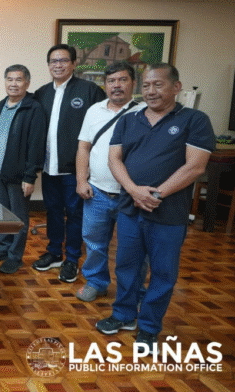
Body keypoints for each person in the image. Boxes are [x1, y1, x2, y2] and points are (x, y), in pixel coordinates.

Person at [96, 64, 214, 347]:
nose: (151, 91)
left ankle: (149, 326)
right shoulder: (129, 120)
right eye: (147, 85)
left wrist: (155, 195)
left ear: (176, 87)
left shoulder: (194, 120)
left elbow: (195, 167)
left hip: (169, 213)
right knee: (126, 266)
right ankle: (123, 315)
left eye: (158, 85)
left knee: (162, 272)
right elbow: (115, 159)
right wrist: (134, 191)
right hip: (130, 207)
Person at [32, 44, 106, 282]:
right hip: (49, 166)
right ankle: (54, 253)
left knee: (75, 214)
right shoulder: (42, 93)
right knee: (52, 211)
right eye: (53, 61)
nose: (58, 65)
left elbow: (101, 128)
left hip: (75, 169)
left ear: (74, 64)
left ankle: (72, 259)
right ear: (48, 65)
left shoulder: (90, 90)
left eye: (63, 60)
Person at [75, 61, 144, 302]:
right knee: (93, 242)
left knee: (133, 248)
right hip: (97, 191)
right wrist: (81, 180)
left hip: (132, 195)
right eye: (111, 81)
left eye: (122, 80)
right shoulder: (94, 111)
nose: (117, 86)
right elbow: (83, 147)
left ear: (133, 83)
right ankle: (96, 281)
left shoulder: (144, 111)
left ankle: (132, 290)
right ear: (105, 85)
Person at [0, 65, 46, 274]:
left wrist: (30, 176)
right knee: (1, 214)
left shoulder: (33, 108)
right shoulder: (1, 105)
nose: (13, 84)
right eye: (9, 79)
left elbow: (36, 144)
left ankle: (15, 256)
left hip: (19, 176)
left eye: (18, 80)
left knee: (18, 217)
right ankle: (4, 248)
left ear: (27, 83)